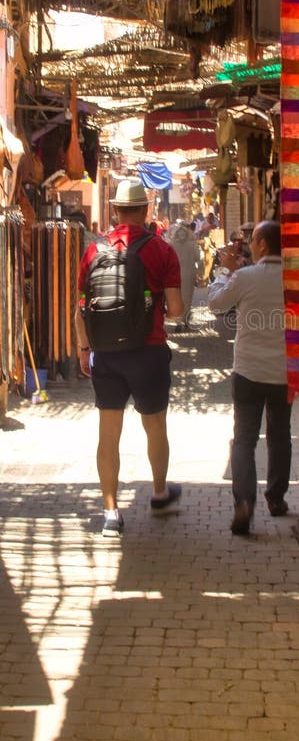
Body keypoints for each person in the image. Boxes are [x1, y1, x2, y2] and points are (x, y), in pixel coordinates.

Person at [74, 177, 185, 537]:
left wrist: (83, 350)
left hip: (106, 354)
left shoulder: (93, 251)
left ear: (116, 210)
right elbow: (177, 310)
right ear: (145, 210)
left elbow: (80, 309)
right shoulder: (162, 251)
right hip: (149, 351)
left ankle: (110, 513)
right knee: (155, 426)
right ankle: (158, 492)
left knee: (108, 434)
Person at [207, 220, 291, 535]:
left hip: (248, 371)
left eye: (253, 240)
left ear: (263, 244)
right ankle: (276, 499)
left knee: (244, 439)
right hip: (283, 372)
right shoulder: (293, 279)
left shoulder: (245, 277)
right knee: (280, 435)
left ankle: (244, 502)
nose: (250, 245)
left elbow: (215, 303)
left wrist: (225, 270)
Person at [164, 220, 201, 330]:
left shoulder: (171, 245)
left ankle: (179, 321)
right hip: (189, 274)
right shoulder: (192, 244)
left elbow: (166, 260)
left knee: (177, 298)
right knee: (187, 298)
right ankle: (185, 319)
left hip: (175, 275)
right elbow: (198, 257)